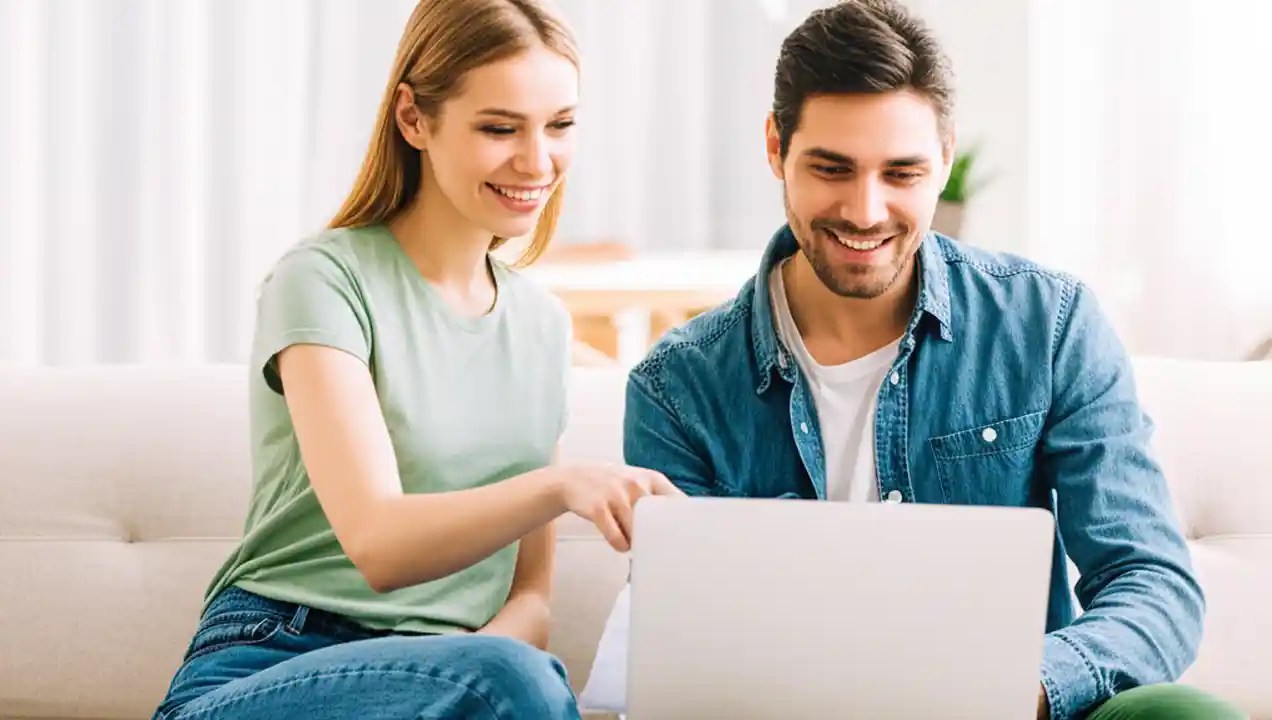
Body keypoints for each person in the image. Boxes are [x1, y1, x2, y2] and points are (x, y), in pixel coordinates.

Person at [622, 1, 1246, 719]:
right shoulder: (677, 387)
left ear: (946, 153)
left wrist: (1029, 685)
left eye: (902, 172)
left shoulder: (1049, 326)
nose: (865, 210)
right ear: (775, 147)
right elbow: (692, 640)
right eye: (832, 168)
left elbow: (1150, 582)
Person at [153, 1, 679, 718]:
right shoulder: (323, 281)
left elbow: (530, 599)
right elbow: (379, 543)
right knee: (512, 678)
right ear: (414, 119)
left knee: (519, 673)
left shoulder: (539, 327)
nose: (537, 161)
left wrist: (476, 680)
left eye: (559, 125)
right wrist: (560, 486)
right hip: (274, 661)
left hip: (444, 683)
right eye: (499, 128)